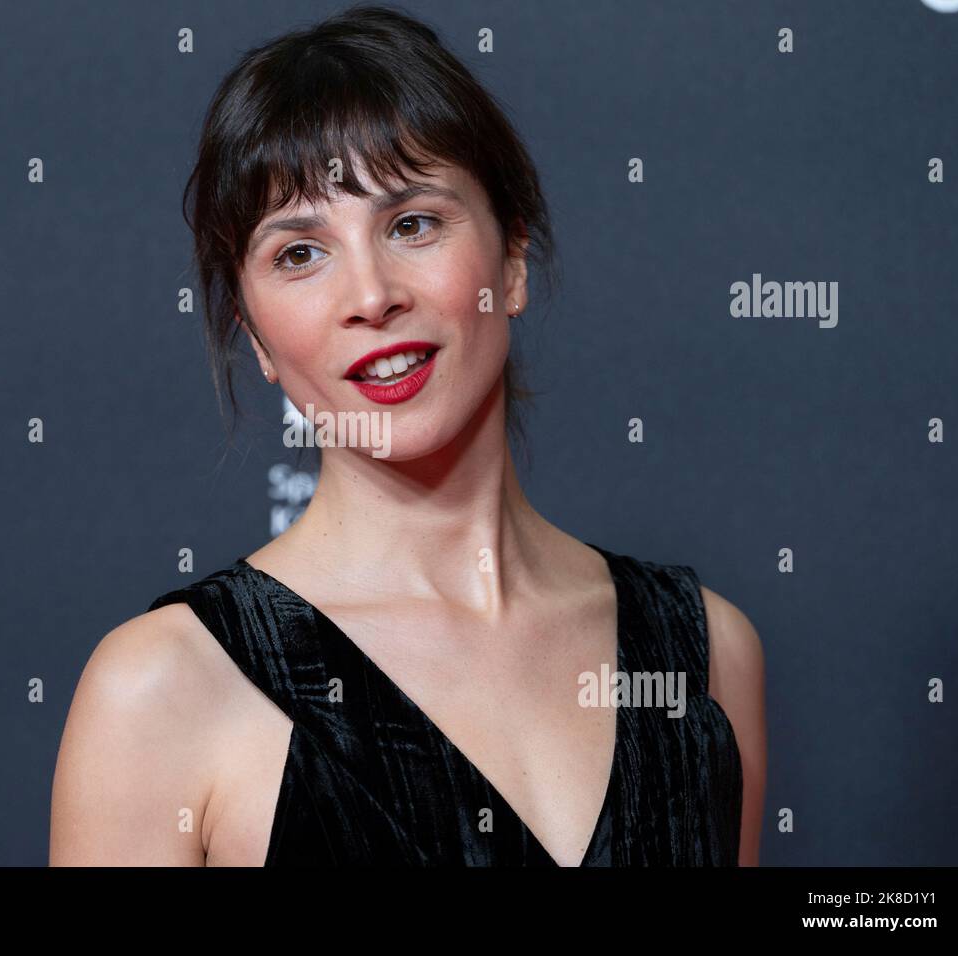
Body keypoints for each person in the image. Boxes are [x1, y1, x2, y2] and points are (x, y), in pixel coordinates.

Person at [50, 3, 766, 866]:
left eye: (412, 223)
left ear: (512, 261)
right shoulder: (162, 690)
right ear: (255, 338)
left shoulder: (706, 651)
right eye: (299, 253)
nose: (372, 293)